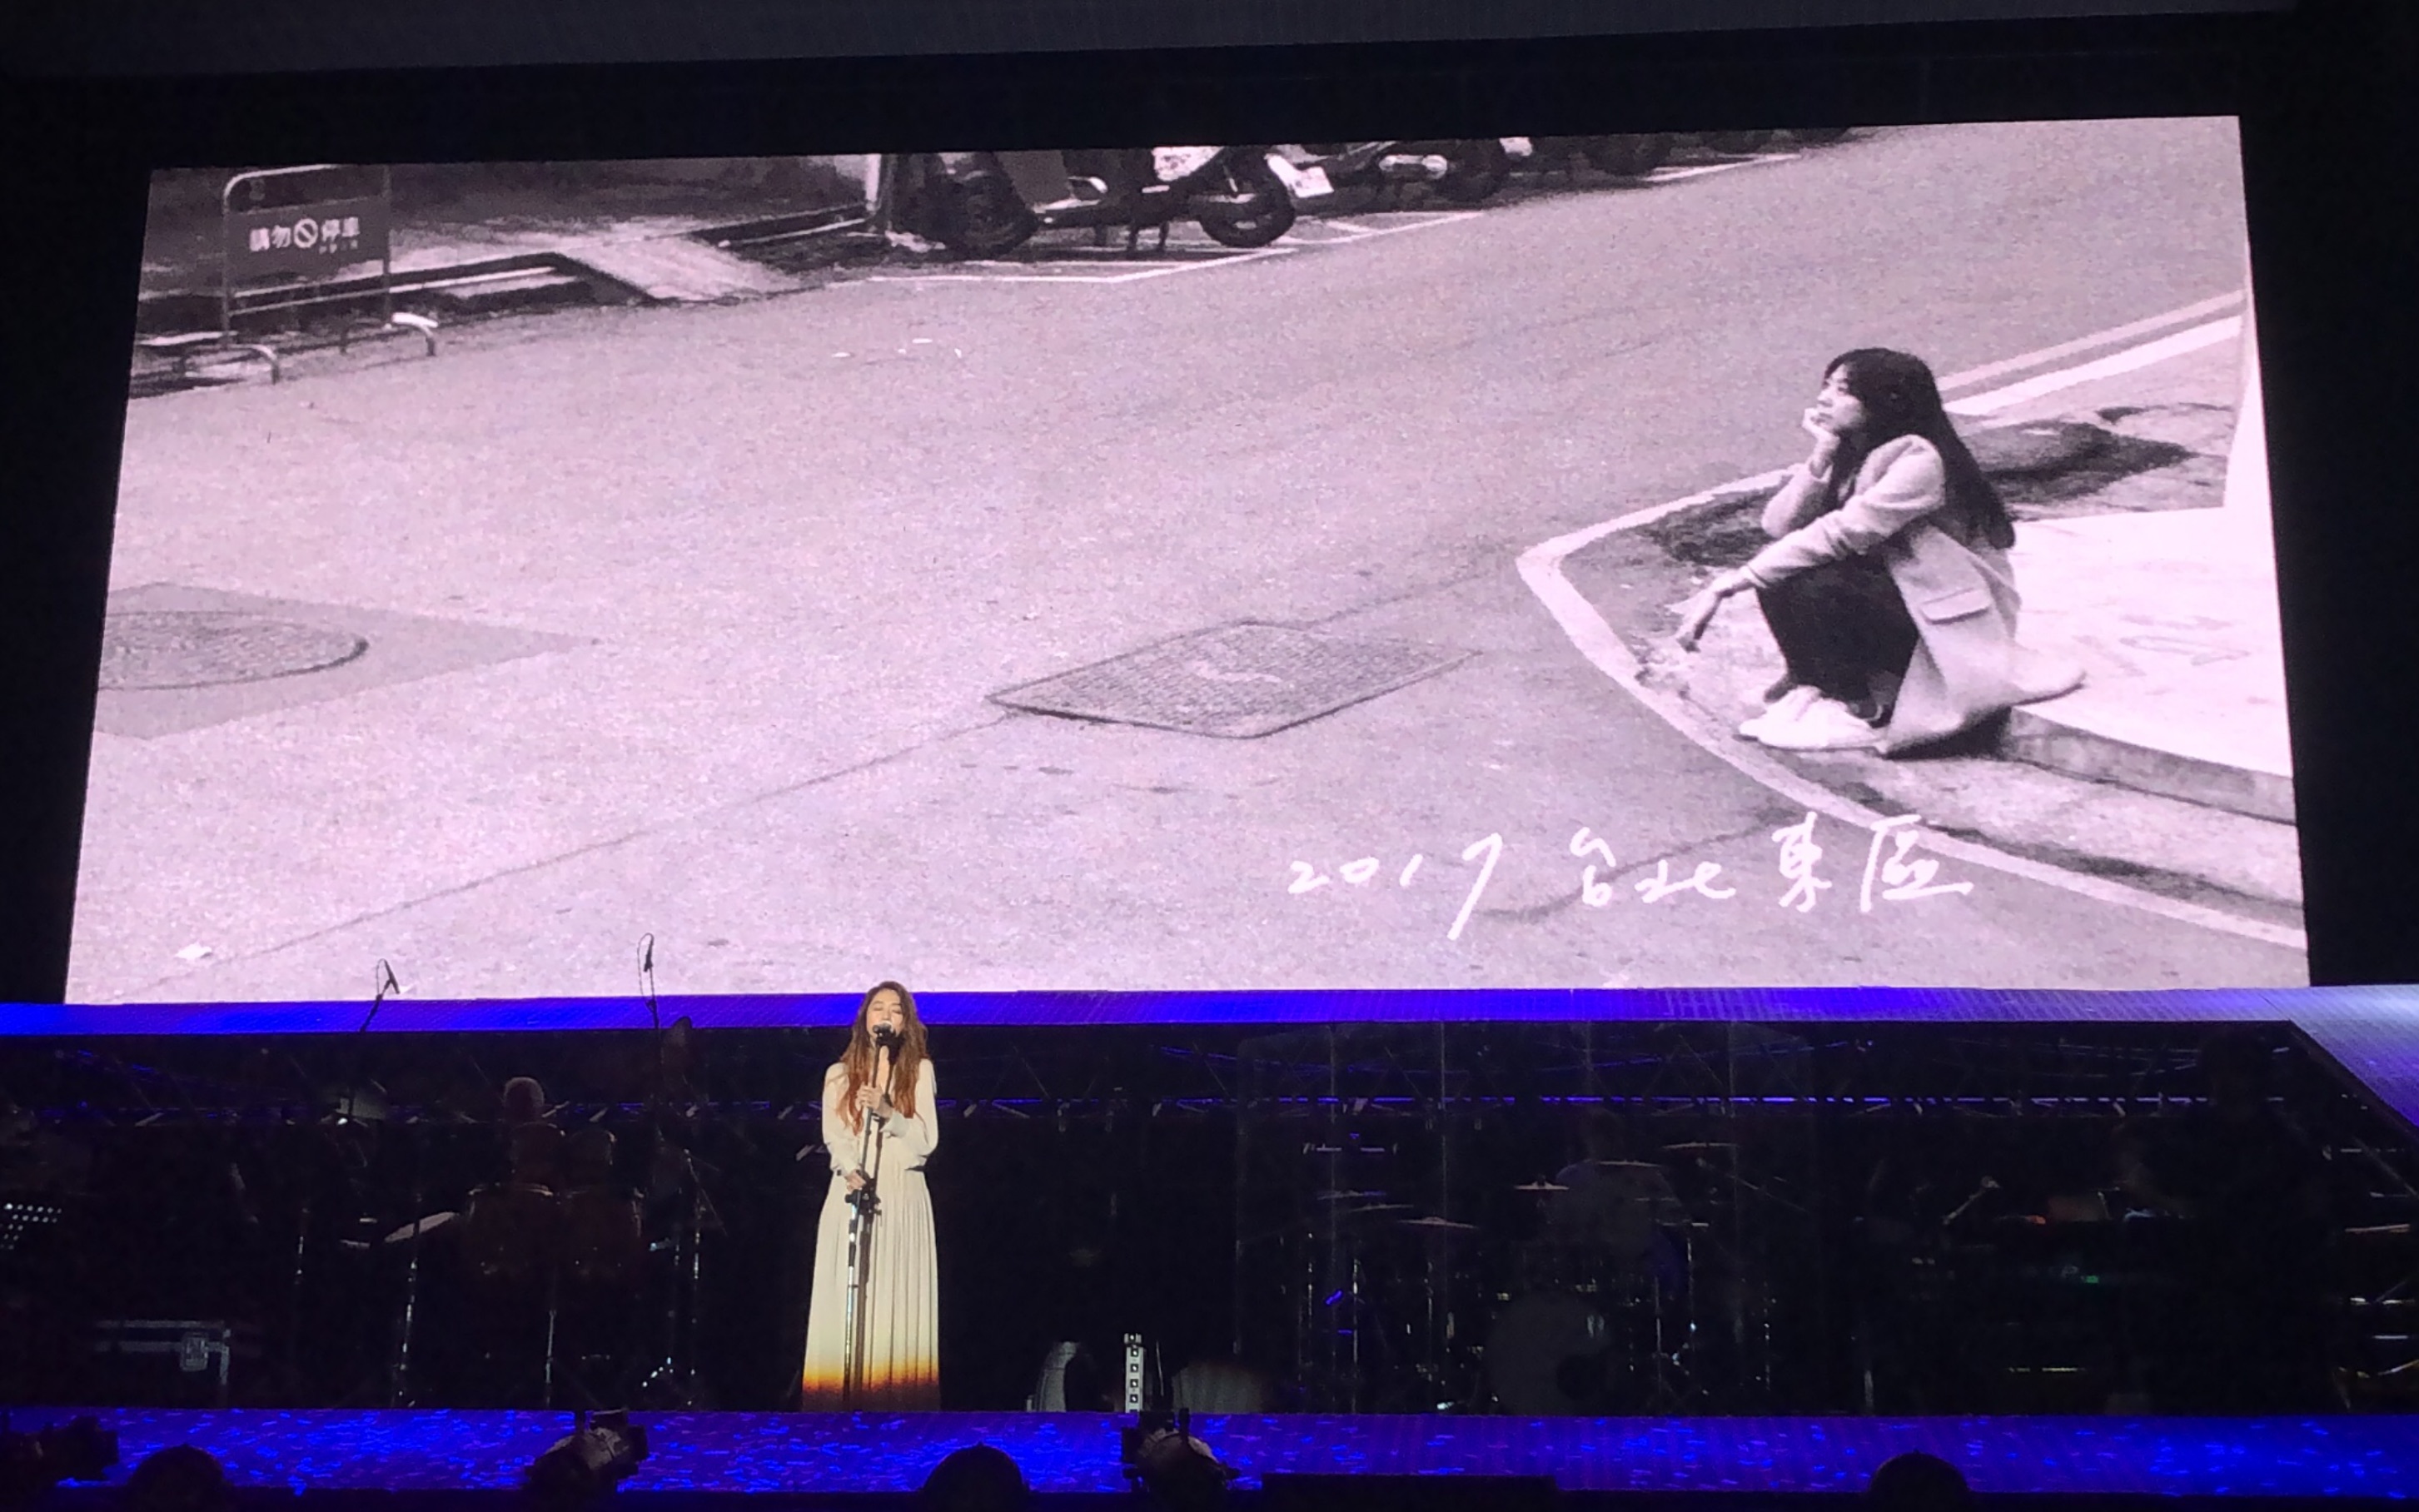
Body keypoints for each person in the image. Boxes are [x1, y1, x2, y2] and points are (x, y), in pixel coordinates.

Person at [1675, 348, 2080, 752]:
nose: (1824, 399)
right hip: (1902, 596)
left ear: (1886, 402)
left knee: (1816, 583)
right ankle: (1818, 690)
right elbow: (1778, 525)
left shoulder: (1921, 461)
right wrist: (1821, 456)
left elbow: (1846, 531)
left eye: (1843, 390)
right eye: (1826, 386)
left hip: (1948, 613)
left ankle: (1864, 710)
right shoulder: (1855, 451)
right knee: (1783, 575)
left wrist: (1732, 583)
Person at [799, 981, 942, 1408]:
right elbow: (835, 1136)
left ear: (905, 1023)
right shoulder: (838, 1075)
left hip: (901, 1192)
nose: (886, 1016)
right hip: (852, 1192)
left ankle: (896, 1401)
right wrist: (849, 1168)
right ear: (865, 1019)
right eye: (878, 1008)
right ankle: (839, 1400)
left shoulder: (919, 1071)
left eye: (896, 1010)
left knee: (893, 1298)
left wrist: (888, 1112)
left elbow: (925, 1141)